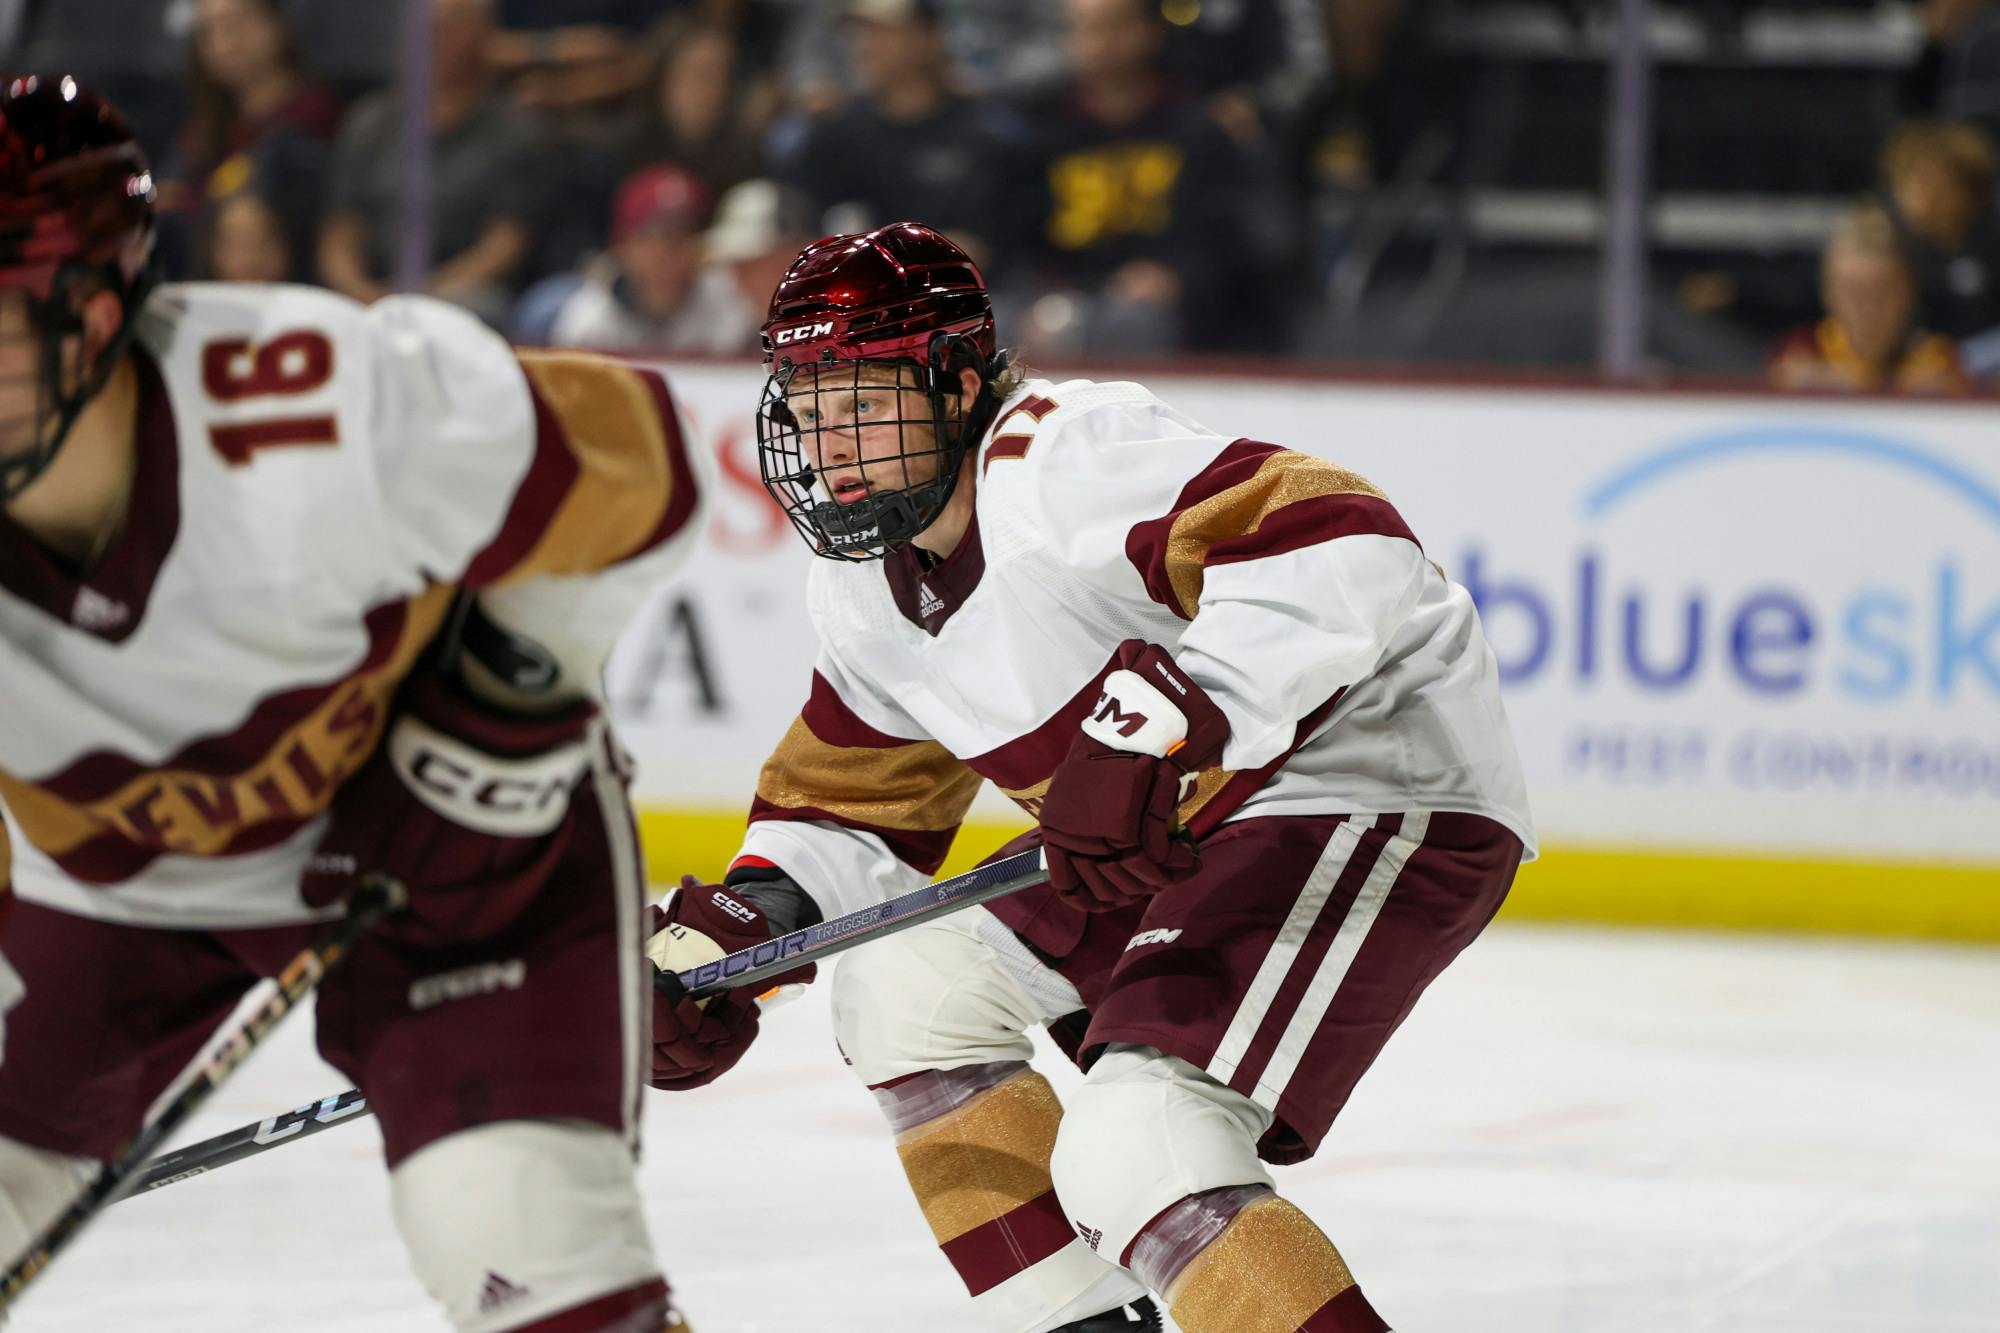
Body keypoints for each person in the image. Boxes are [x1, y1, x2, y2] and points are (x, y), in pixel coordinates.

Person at [642, 221, 1534, 1333]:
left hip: (1365, 774)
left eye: (864, 405)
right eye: (812, 412)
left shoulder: (1062, 457)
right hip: (1191, 823)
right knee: (905, 991)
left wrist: (1137, 731)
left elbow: (1347, 542)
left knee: (1138, 1148)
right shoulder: (869, 586)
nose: (835, 450)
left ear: (962, 379)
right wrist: (726, 941)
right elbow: (849, 803)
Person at [0, 77, 707, 1332]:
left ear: (97, 312)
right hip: (115, 889)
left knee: (527, 1256)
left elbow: (636, 457)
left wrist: (502, 719)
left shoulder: (311, 407)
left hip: (457, 872)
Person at [318, 0, 549, 326]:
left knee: (473, 311)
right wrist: (361, 292)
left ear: (484, 35)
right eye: (426, 26)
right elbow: (340, 233)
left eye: (452, 25)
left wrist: (423, 296)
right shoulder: (369, 123)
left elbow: (506, 243)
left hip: (463, 292)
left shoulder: (515, 130)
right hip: (373, 290)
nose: (435, 36)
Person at [1770, 203, 1968, 394]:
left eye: (1882, 292)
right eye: (1854, 292)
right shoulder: (1801, 353)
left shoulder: (1936, 360)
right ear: (1828, 291)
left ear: (1909, 293)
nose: (1868, 309)